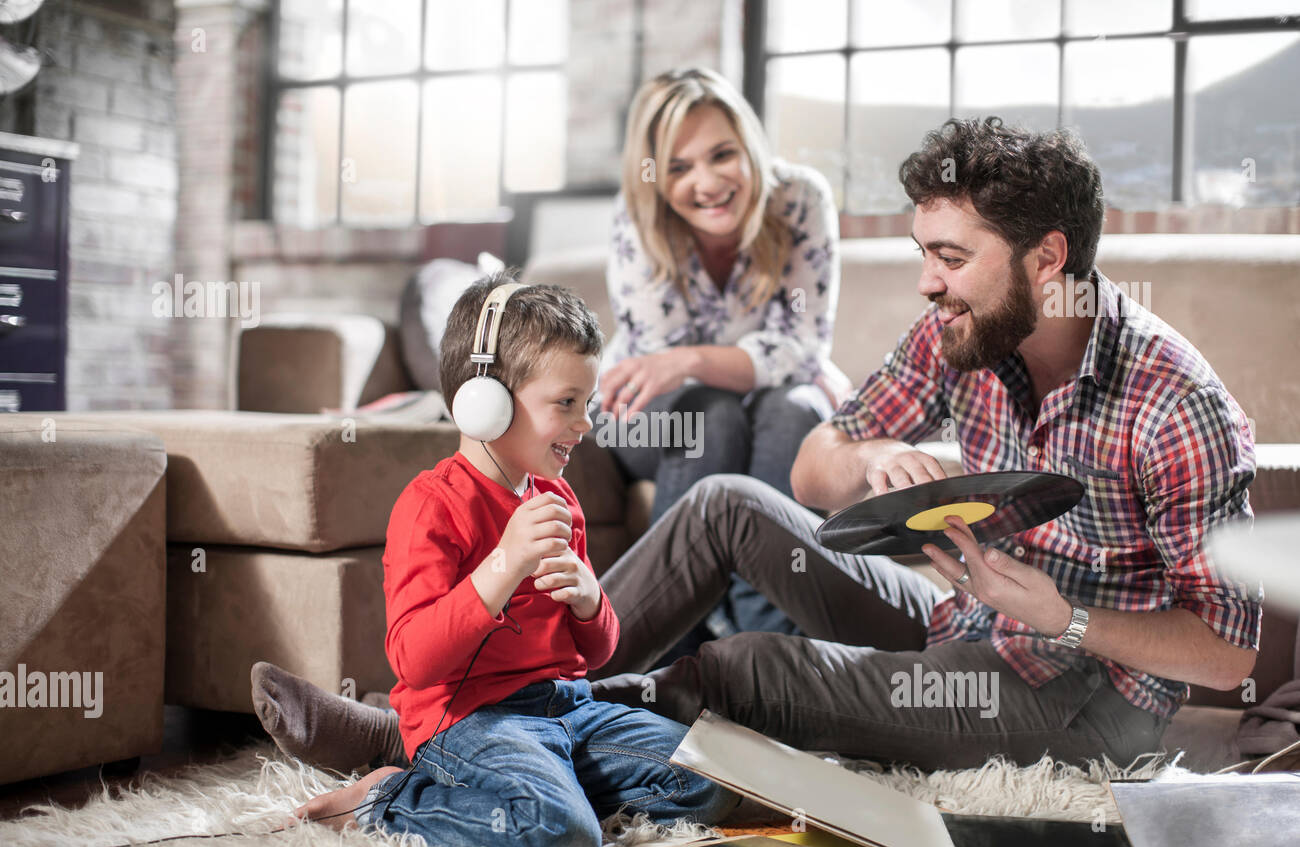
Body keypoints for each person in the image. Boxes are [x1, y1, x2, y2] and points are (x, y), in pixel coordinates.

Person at [257, 117, 1262, 774]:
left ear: (1048, 261)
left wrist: (1066, 616)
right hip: (966, 616)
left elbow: (1227, 652)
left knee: (747, 666)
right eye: (923, 254)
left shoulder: (1176, 405)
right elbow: (815, 463)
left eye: (950, 258)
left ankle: (442, 727)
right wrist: (872, 462)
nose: (925, 283)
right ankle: (466, 707)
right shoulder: (956, 333)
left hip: (1081, 696)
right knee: (723, 503)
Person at [277, 274, 736, 847]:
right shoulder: (431, 503)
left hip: (571, 708)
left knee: (716, 779)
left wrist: (591, 602)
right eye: (566, 403)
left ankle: (542, 795)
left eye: (587, 404)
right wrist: (505, 562)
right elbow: (413, 660)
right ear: (484, 398)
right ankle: (390, 795)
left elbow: (597, 654)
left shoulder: (559, 501)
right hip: (474, 721)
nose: (585, 424)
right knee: (563, 837)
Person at [598, 66, 849, 648]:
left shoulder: (801, 199)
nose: (707, 183)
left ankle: (771, 646)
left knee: (792, 407)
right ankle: (663, 656)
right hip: (644, 415)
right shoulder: (637, 219)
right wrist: (721, 364)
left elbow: (802, 344)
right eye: (680, 168)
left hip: (763, 406)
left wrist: (691, 361)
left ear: (751, 148)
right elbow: (655, 364)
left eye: (722, 155)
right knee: (710, 414)